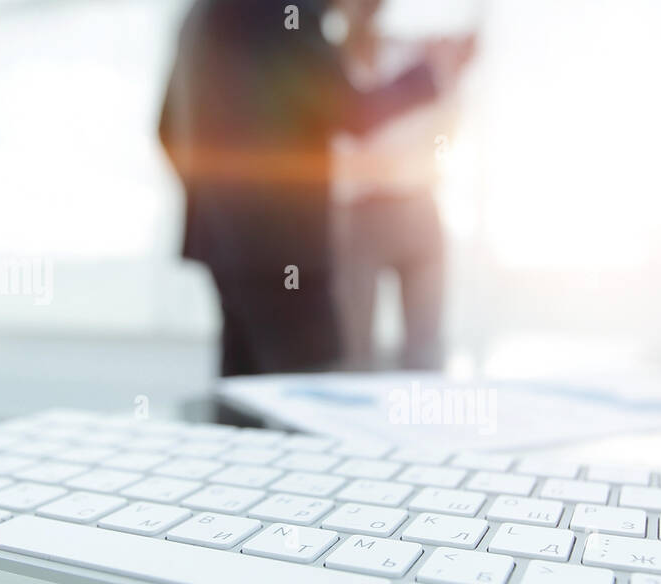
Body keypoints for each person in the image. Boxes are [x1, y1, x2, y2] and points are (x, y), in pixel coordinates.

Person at [159, 0, 474, 377]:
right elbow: (354, 112)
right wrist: (434, 72)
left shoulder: (205, 10)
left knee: (244, 399)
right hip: (285, 252)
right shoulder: (283, 12)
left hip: (222, 245)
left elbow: (165, 130)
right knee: (320, 400)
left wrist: (222, 203)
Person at [330, 0, 464, 370]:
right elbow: (343, 133)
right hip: (357, 215)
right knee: (352, 350)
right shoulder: (330, 61)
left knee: (425, 349)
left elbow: (447, 124)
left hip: (418, 208)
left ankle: (421, 424)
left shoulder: (416, 55)